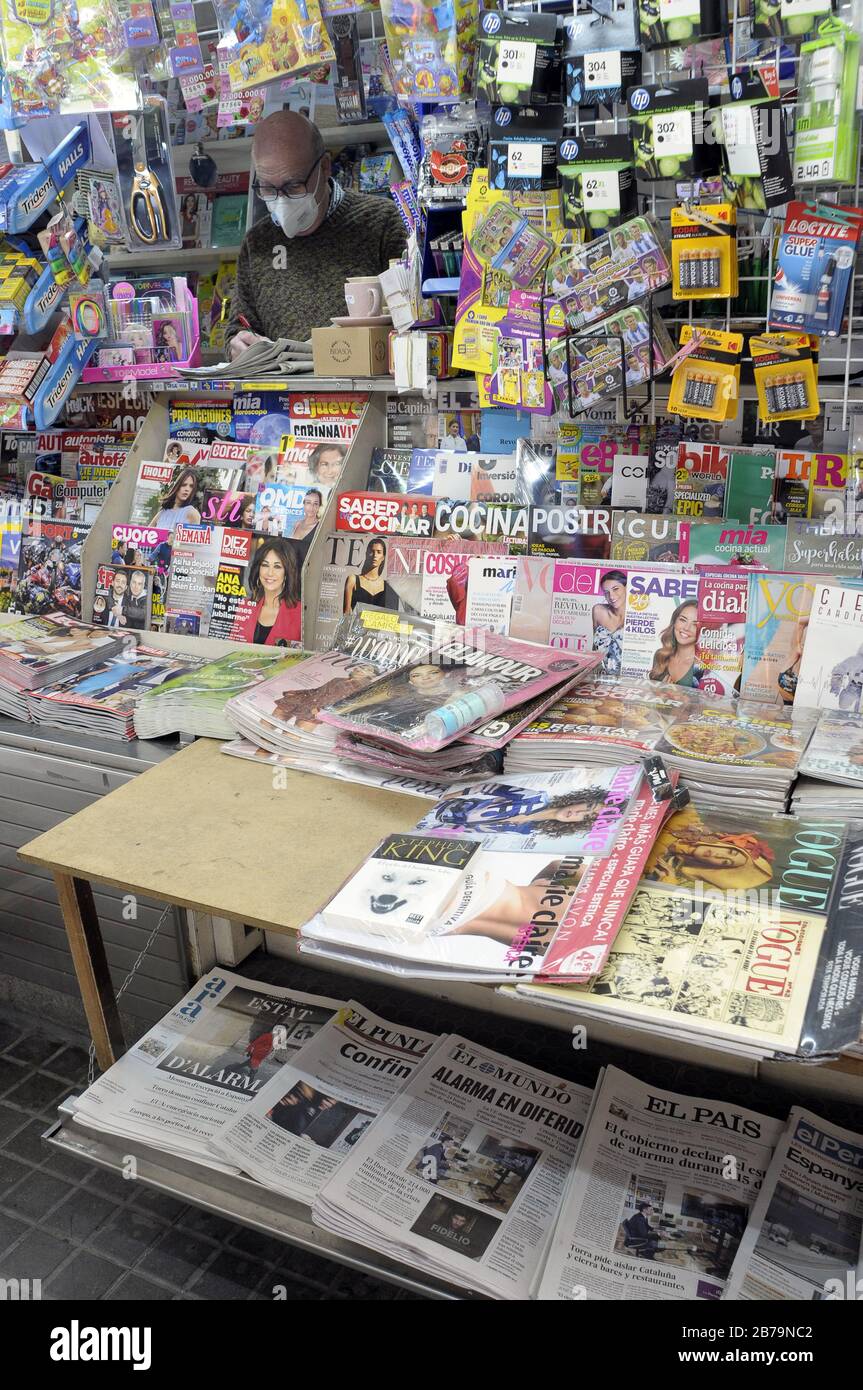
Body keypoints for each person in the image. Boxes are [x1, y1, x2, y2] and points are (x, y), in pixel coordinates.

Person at [227, 111, 406, 355]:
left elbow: (414, 319)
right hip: (284, 389)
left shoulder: (382, 222)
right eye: (268, 188)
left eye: (293, 186)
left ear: (324, 167)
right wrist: (237, 344)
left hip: (367, 387)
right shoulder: (257, 242)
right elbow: (237, 328)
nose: (281, 201)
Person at [426, 783, 612, 839]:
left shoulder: (530, 830)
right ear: (581, 800)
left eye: (587, 817)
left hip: (440, 826)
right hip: (443, 806)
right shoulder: (534, 798)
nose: (578, 813)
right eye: (586, 807)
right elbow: (486, 787)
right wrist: (445, 797)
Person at [235, 538, 302, 646]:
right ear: (258, 569)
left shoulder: (300, 613)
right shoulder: (245, 607)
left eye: (277, 566)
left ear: (287, 572)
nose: (270, 573)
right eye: (265, 565)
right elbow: (231, 646)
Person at [649, 600, 703, 686]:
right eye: (683, 620)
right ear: (674, 621)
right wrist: (660, 691)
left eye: (695, 624)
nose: (686, 628)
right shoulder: (661, 655)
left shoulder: (702, 666)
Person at [342, 538, 396, 612]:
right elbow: (346, 614)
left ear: (383, 557)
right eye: (372, 551)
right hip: (357, 623)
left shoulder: (388, 586)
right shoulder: (353, 580)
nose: (375, 555)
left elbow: (392, 616)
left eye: (379, 552)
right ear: (367, 553)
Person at [592, 570, 627, 676]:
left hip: (627, 680)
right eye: (606, 592)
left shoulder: (638, 617)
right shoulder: (598, 611)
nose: (611, 596)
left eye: (615, 589)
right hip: (599, 676)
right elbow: (594, 648)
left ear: (626, 588)